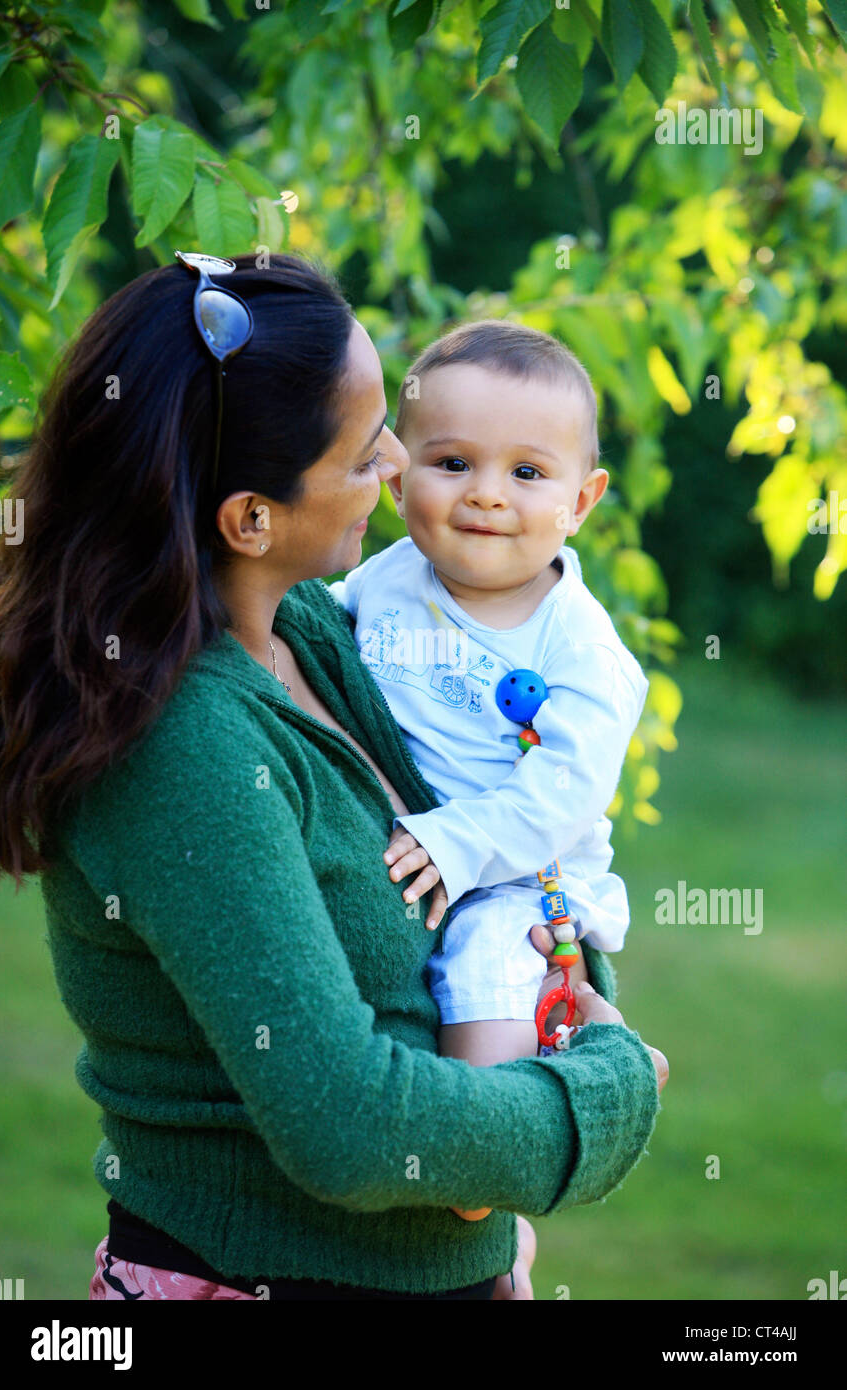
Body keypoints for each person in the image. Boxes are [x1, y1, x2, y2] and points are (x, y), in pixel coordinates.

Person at [0, 251, 667, 1302]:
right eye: (360, 453)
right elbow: (347, 1127)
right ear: (250, 518)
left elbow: (486, 857)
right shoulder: (183, 748)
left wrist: (572, 991)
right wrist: (606, 1087)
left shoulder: (310, 628)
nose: (398, 463)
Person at [329, 320, 646, 1071]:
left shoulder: (583, 651)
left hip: (520, 876)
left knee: (481, 964)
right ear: (398, 478)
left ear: (582, 499)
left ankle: (487, 1131)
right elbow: (320, 637)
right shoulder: (389, 577)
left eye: (527, 474)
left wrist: (461, 842)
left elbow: (562, 795)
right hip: (411, 848)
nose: (485, 495)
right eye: (454, 462)